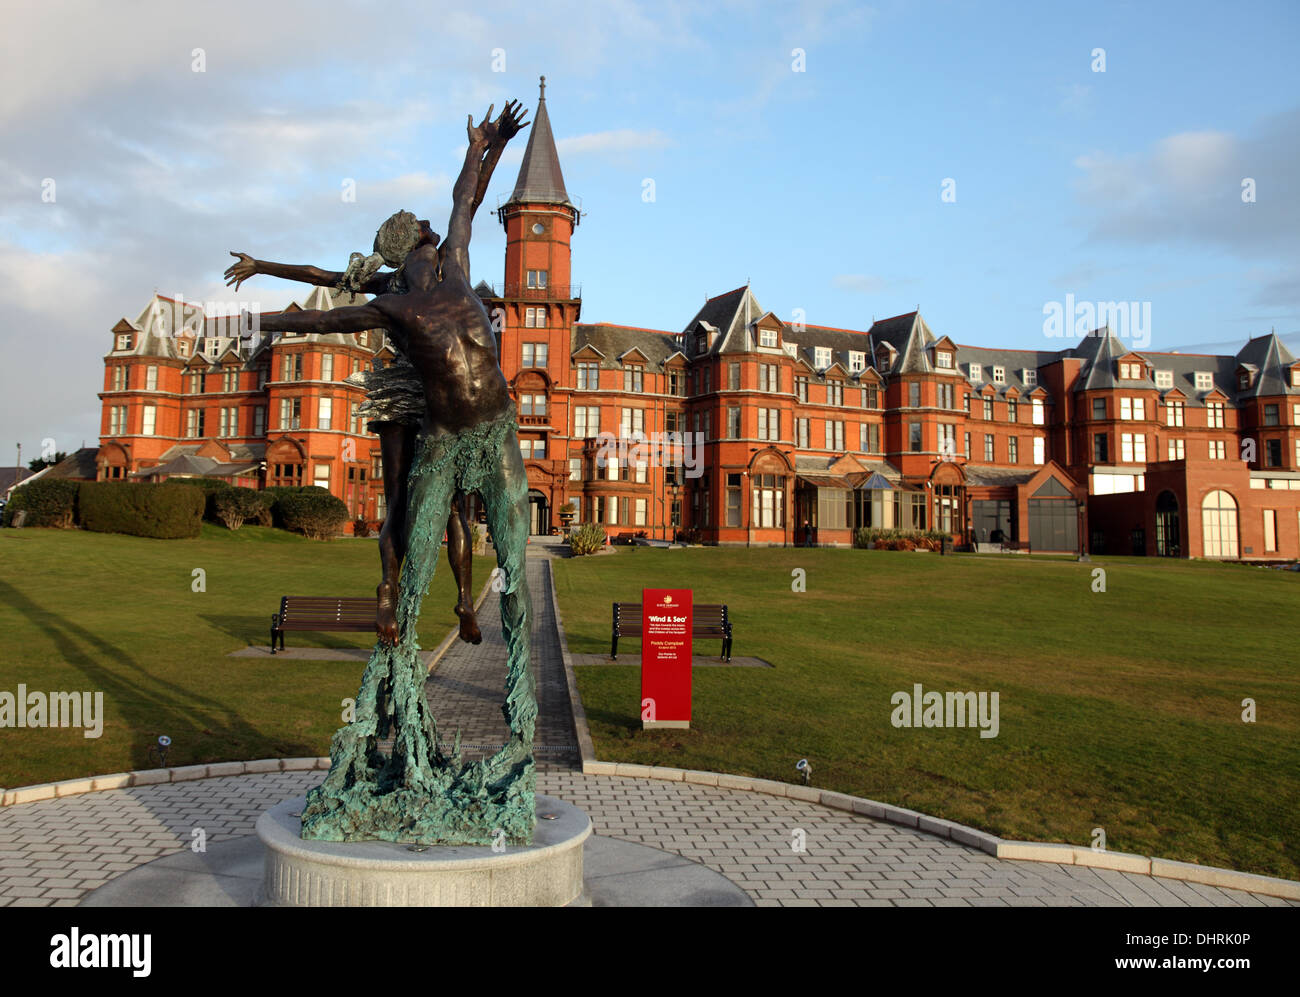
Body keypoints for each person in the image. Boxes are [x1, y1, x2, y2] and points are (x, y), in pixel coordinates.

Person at [251, 101, 535, 843]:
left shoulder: (460, 262)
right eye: (428, 241)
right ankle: (401, 701)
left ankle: (520, 734)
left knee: (517, 564)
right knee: (411, 552)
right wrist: (258, 321)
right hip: (444, 435)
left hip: (497, 429)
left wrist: (484, 145)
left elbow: (464, 198)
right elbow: (320, 317)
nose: (439, 242)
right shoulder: (395, 306)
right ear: (415, 251)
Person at [222, 127, 514, 646]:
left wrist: (487, 147)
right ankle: (447, 596)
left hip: (411, 396)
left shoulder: (397, 285)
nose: (429, 231)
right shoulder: (439, 273)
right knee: (439, 504)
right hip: (422, 395)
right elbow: (467, 203)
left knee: (406, 500)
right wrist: (486, 148)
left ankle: (403, 593)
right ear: (417, 244)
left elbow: (321, 276)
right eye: (423, 230)